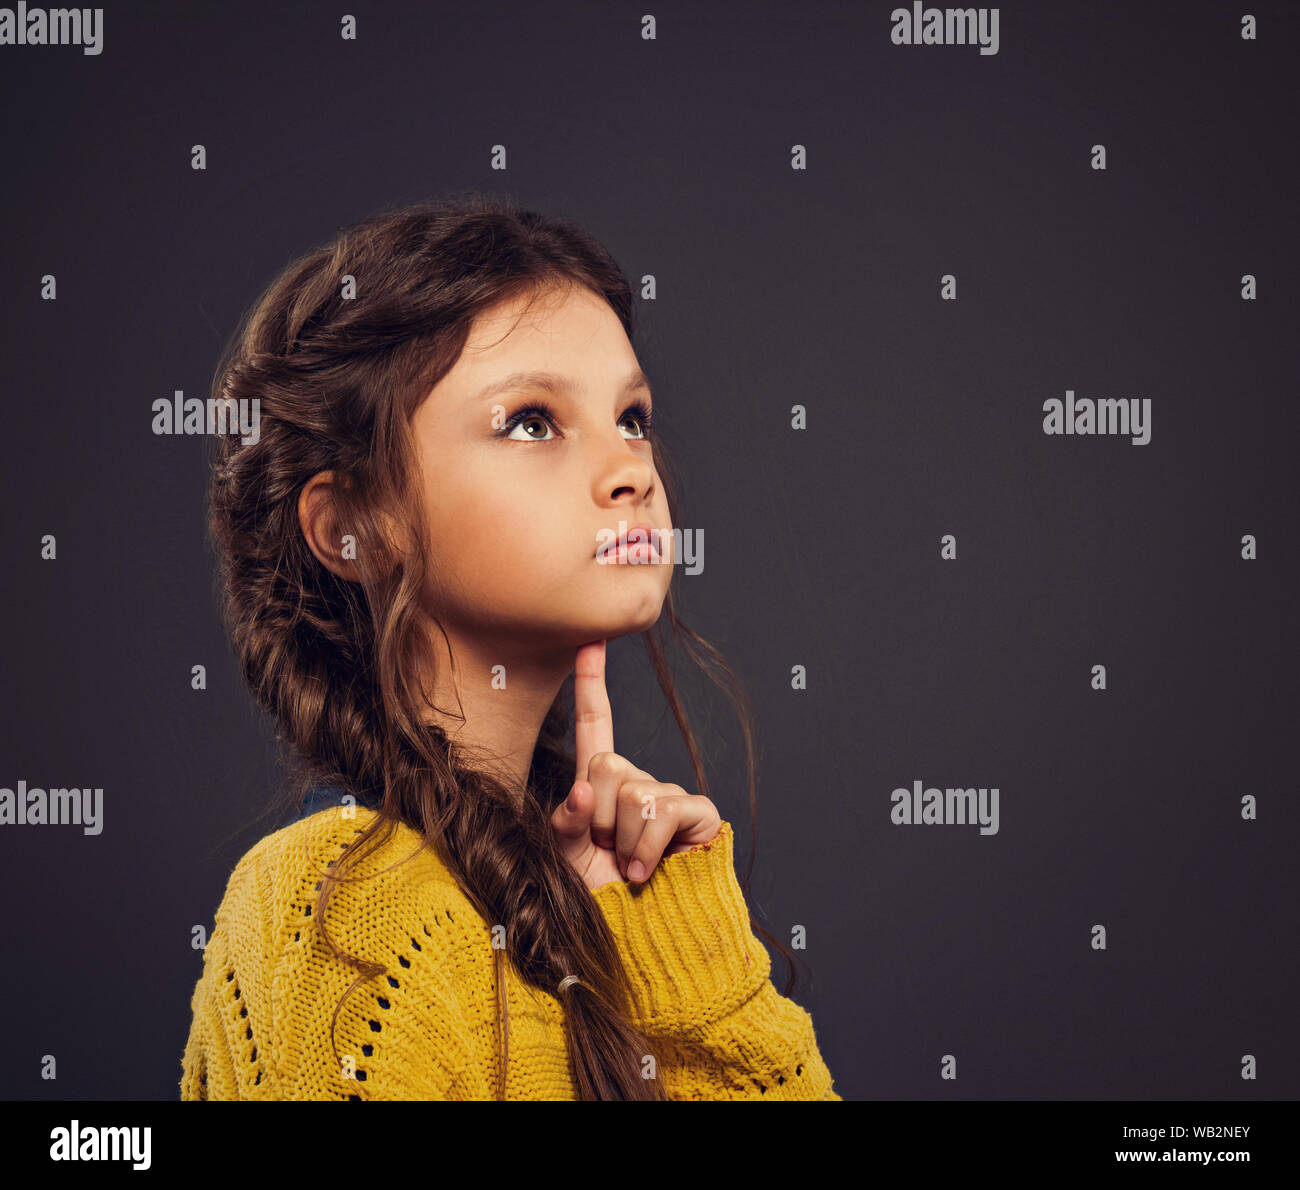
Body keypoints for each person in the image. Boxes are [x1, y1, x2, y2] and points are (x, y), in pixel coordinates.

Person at [179, 194, 840, 1100]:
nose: (633, 470)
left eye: (633, 417)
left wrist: (688, 955)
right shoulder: (327, 916)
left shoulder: (604, 892)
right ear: (356, 527)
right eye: (531, 421)